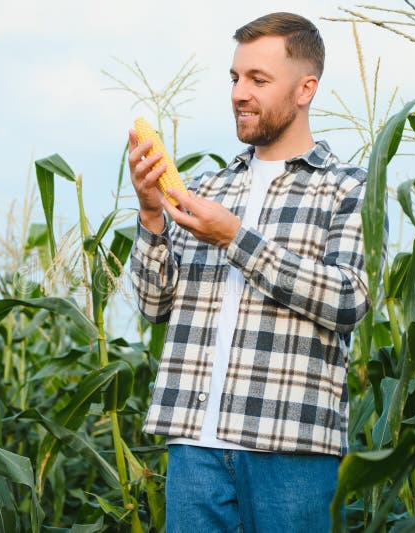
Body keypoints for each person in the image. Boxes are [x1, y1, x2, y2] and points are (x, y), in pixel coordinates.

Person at [128, 12, 379, 532]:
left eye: (258, 80)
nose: (240, 93)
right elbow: (154, 306)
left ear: (305, 88)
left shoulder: (349, 188)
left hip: (291, 447)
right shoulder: (206, 189)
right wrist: (151, 213)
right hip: (195, 443)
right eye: (235, 78)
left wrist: (235, 239)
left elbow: (350, 300)